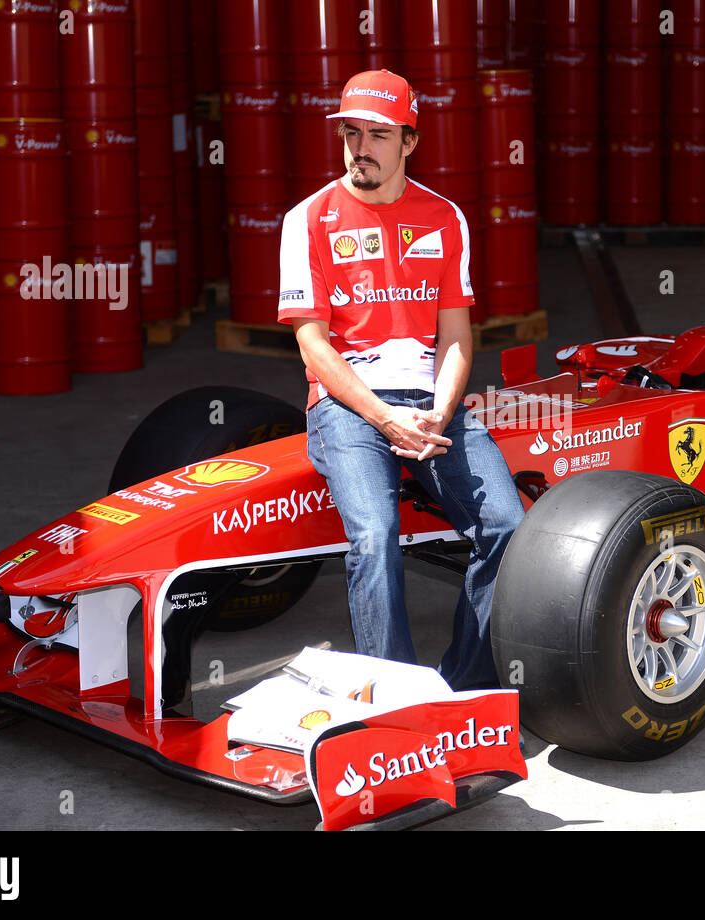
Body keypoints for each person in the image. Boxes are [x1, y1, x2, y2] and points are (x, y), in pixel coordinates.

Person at [277, 69, 525, 691]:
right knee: (374, 535)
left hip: (430, 403)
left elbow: (457, 338)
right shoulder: (307, 219)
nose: (361, 147)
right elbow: (312, 343)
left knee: (507, 527)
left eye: (379, 135)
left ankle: (464, 686)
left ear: (409, 142)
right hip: (346, 404)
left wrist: (439, 414)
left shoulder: (445, 218)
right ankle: (392, 699)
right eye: (351, 133)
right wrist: (386, 419)